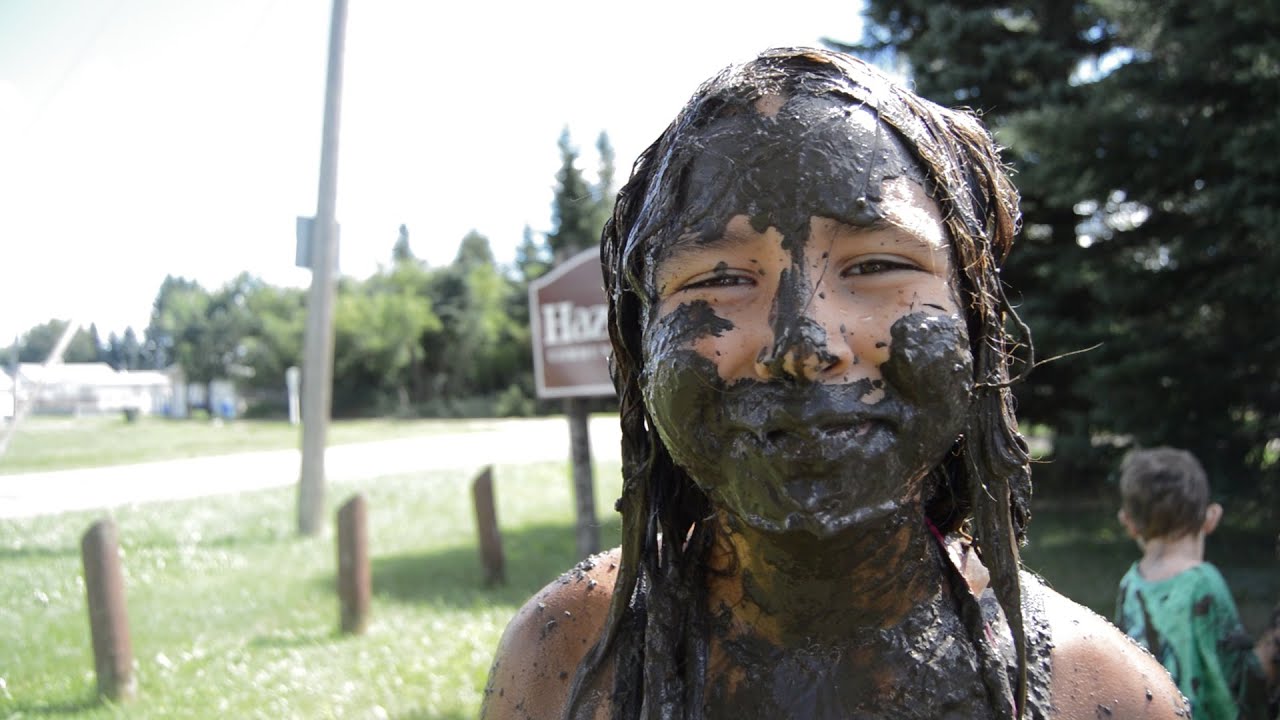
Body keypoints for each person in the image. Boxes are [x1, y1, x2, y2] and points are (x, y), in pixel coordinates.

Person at [481, 47, 1187, 719]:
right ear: (640, 346)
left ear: (975, 322)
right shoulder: (567, 655)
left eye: (877, 266)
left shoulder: (1103, 695)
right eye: (721, 278)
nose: (803, 346)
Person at [1115, 447, 1271, 719]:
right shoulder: (1204, 583)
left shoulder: (1129, 584)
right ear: (1211, 517)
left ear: (1128, 523)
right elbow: (1238, 677)